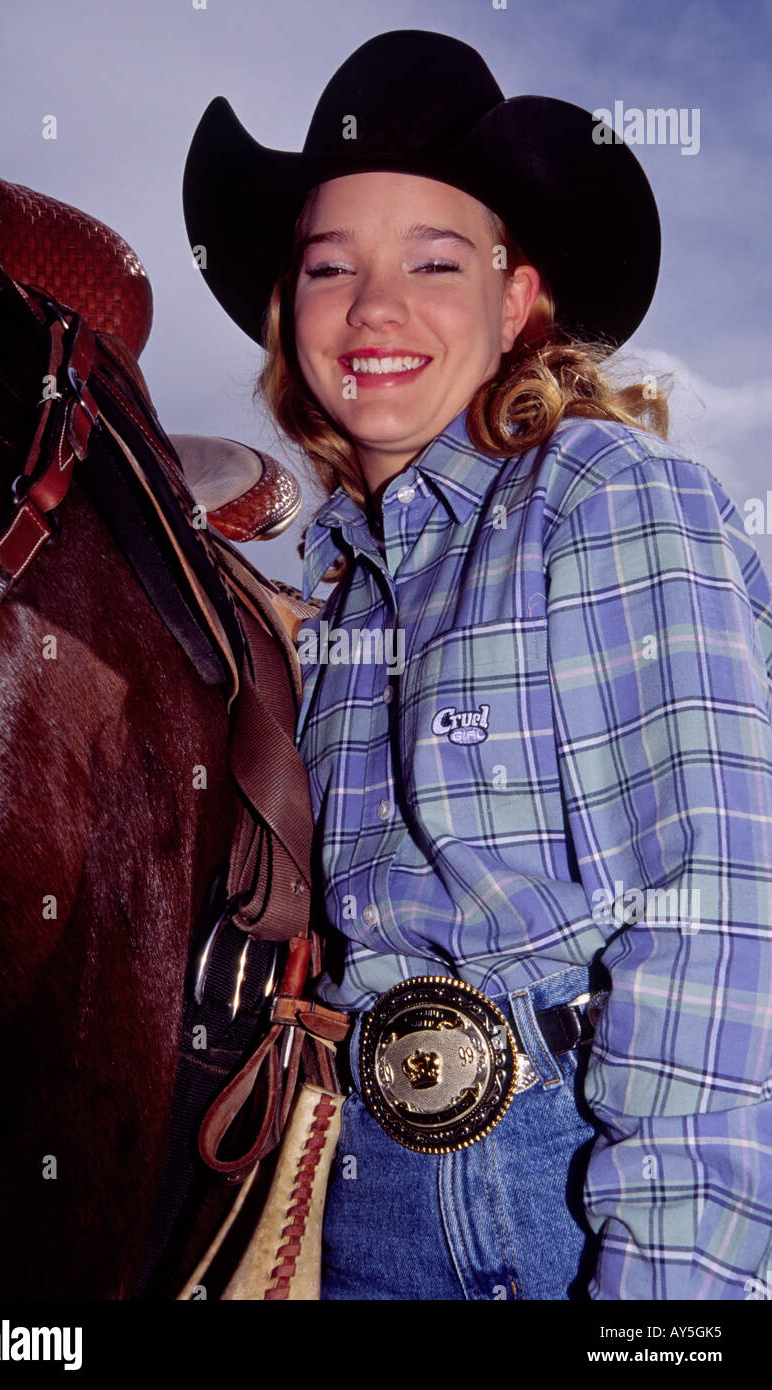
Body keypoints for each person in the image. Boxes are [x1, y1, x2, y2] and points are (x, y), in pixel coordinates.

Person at [183, 29, 772, 1300]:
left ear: (516, 303)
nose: (375, 307)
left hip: (575, 1171)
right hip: (354, 1177)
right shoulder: (336, 590)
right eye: (329, 265)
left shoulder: (607, 495)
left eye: (433, 263)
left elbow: (716, 903)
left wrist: (672, 1291)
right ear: (294, 309)